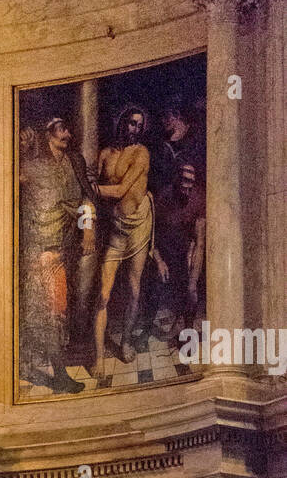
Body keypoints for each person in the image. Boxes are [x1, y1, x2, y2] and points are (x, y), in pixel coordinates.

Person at [18, 118, 97, 392]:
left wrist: (87, 229)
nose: (68, 134)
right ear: (48, 134)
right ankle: (59, 373)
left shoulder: (74, 162)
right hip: (40, 249)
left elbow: (86, 198)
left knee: (59, 310)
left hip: (64, 246)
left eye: (68, 129)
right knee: (50, 312)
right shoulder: (34, 164)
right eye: (62, 129)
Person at [94, 106, 168, 375]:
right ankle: (99, 355)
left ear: (142, 128)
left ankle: (125, 341)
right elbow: (92, 179)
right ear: (121, 122)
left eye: (137, 125)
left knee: (134, 288)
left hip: (139, 225)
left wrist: (89, 188)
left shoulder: (142, 154)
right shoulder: (105, 153)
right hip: (116, 228)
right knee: (103, 292)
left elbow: (121, 190)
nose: (132, 128)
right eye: (129, 122)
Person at [152, 163, 205, 335]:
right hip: (164, 249)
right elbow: (152, 234)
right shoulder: (165, 196)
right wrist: (159, 261)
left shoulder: (198, 198)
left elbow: (199, 242)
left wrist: (193, 281)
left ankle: (187, 329)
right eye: (184, 185)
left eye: (191, 185)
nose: (187, 191)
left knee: (191, 291)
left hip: (186, 248)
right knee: (156, 289)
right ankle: (148, 328)